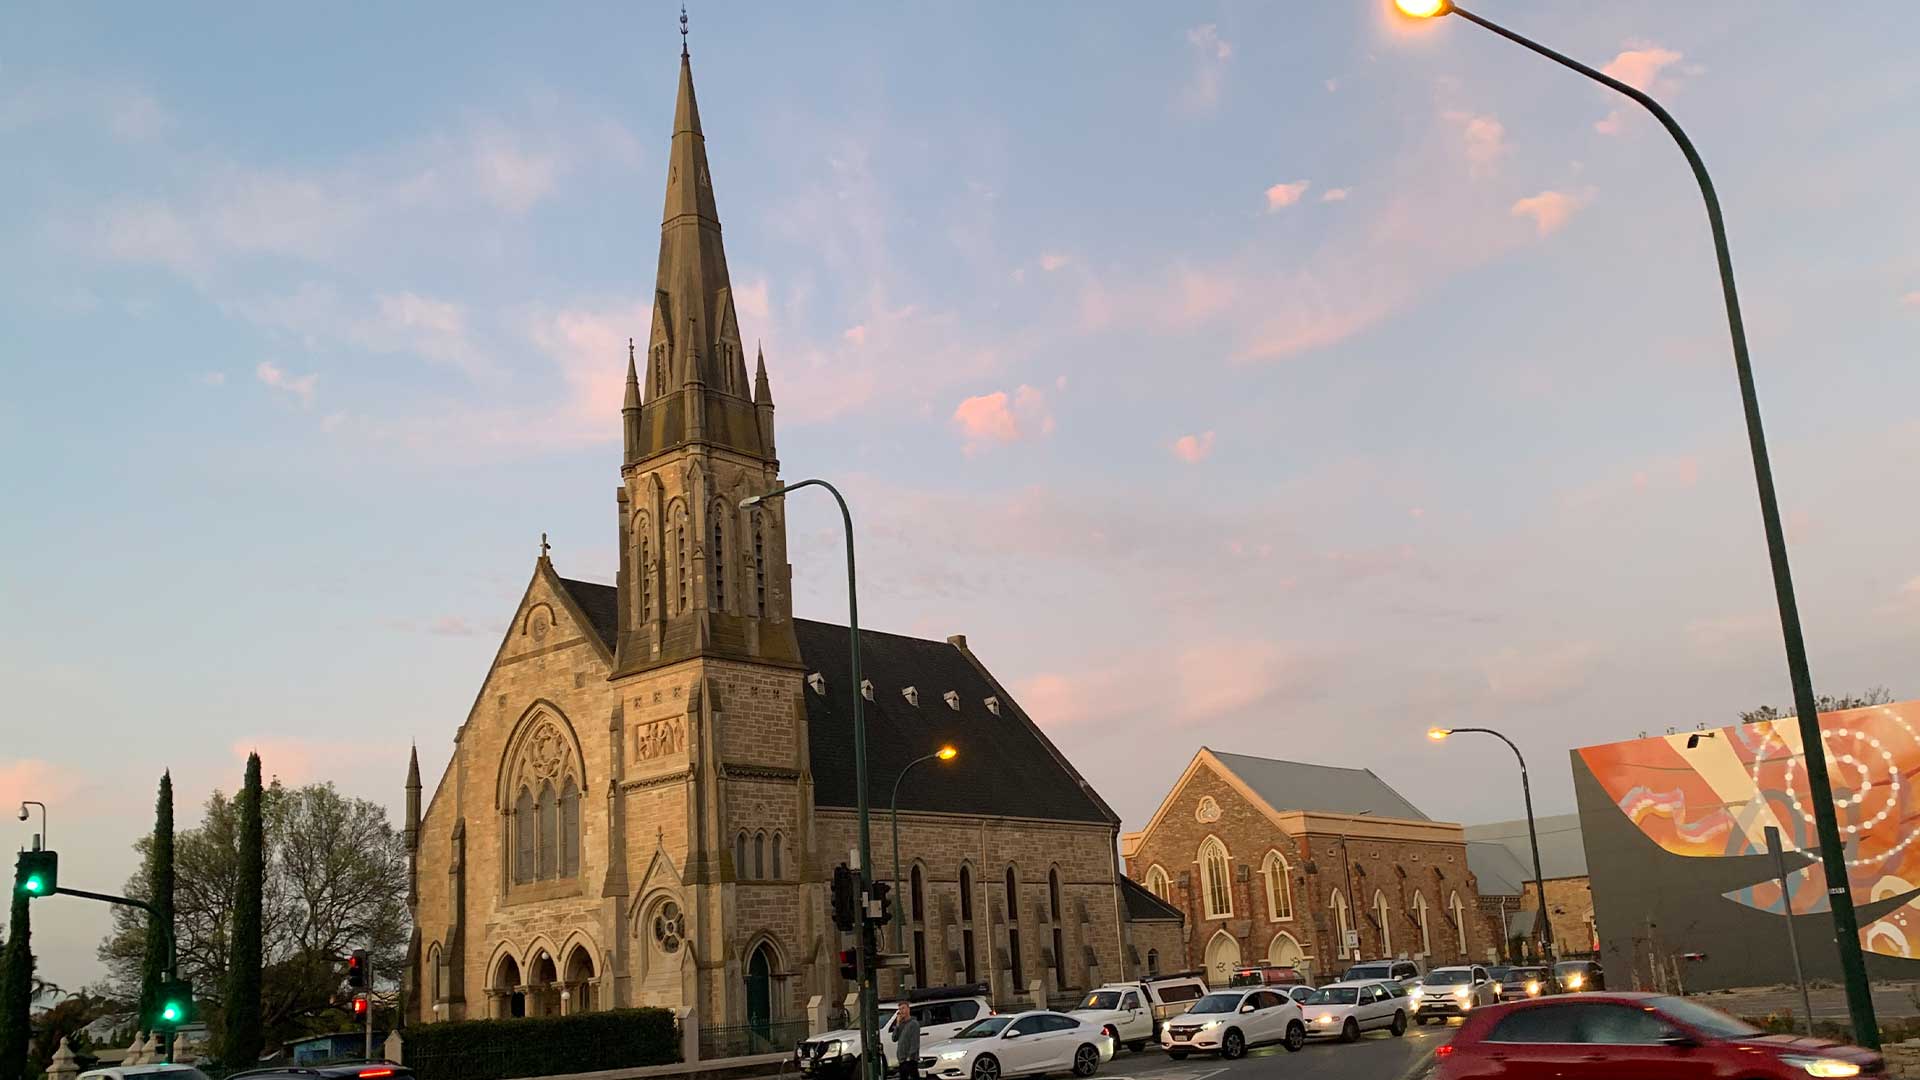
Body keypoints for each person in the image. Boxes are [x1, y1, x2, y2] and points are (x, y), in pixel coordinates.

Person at [890, 1002, 921, 1080]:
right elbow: (894, 1038)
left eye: (903, 1008)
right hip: (902, 1059)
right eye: (900, 1009)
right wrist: (897, 1024)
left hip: (910, 1059)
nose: (901, 1011)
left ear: (908, 1009)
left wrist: (910, 1057)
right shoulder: (901, 1024)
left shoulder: (913, 1024)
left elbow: (915, 1042)